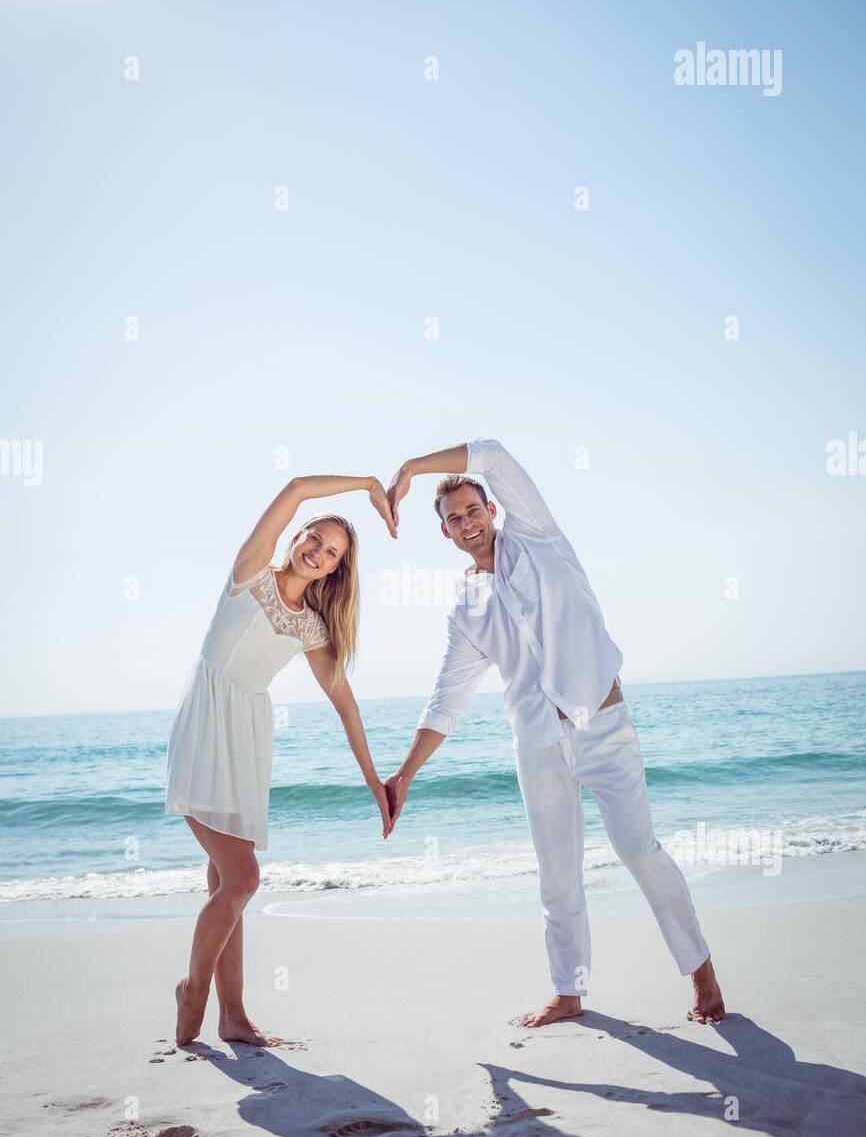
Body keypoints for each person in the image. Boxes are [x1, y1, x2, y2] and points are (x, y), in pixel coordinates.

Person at [383, 438, 725, 1028]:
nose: (465, 523)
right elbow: (448, 699)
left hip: (603, 722)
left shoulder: (539, 536)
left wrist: (412, 467)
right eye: (452, 519)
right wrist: (404, 774)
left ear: (491, 510)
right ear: (444, 533)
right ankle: (569, 992)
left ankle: (703, 975)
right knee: (557, 875)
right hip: (537, 743)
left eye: (472, 510)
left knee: (638, 850)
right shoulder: (465, 606)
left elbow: (489, 453)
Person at [166, 471, 397, 1047]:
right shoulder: (250, 572)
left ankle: (233, 1016)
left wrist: (376, 782)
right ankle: (193, 989)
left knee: (226, 881)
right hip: (205, 726)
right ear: (296, 537)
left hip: (248, 742)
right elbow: (295, 487)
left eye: (332, 554)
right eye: (314, 539)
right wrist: (367, 483)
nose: (317, 553)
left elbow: (346, 706)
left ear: (336, 571)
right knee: (242, 879)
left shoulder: (312, 628)